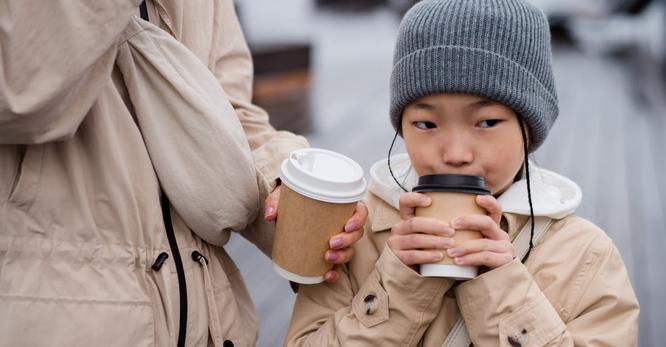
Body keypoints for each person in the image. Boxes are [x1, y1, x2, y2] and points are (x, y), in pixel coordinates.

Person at [0, 1, 365, 346]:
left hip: (206, 319)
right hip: (60, 315)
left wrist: (286, 185)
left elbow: (229, 112)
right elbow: (19, 89)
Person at [285, 0, 640, 345]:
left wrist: (501, 289)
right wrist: (399, 283)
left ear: (530, 128)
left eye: (486, 122)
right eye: (426, 123)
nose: (455, 154)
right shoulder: (353, 231)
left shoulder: (585, 255)